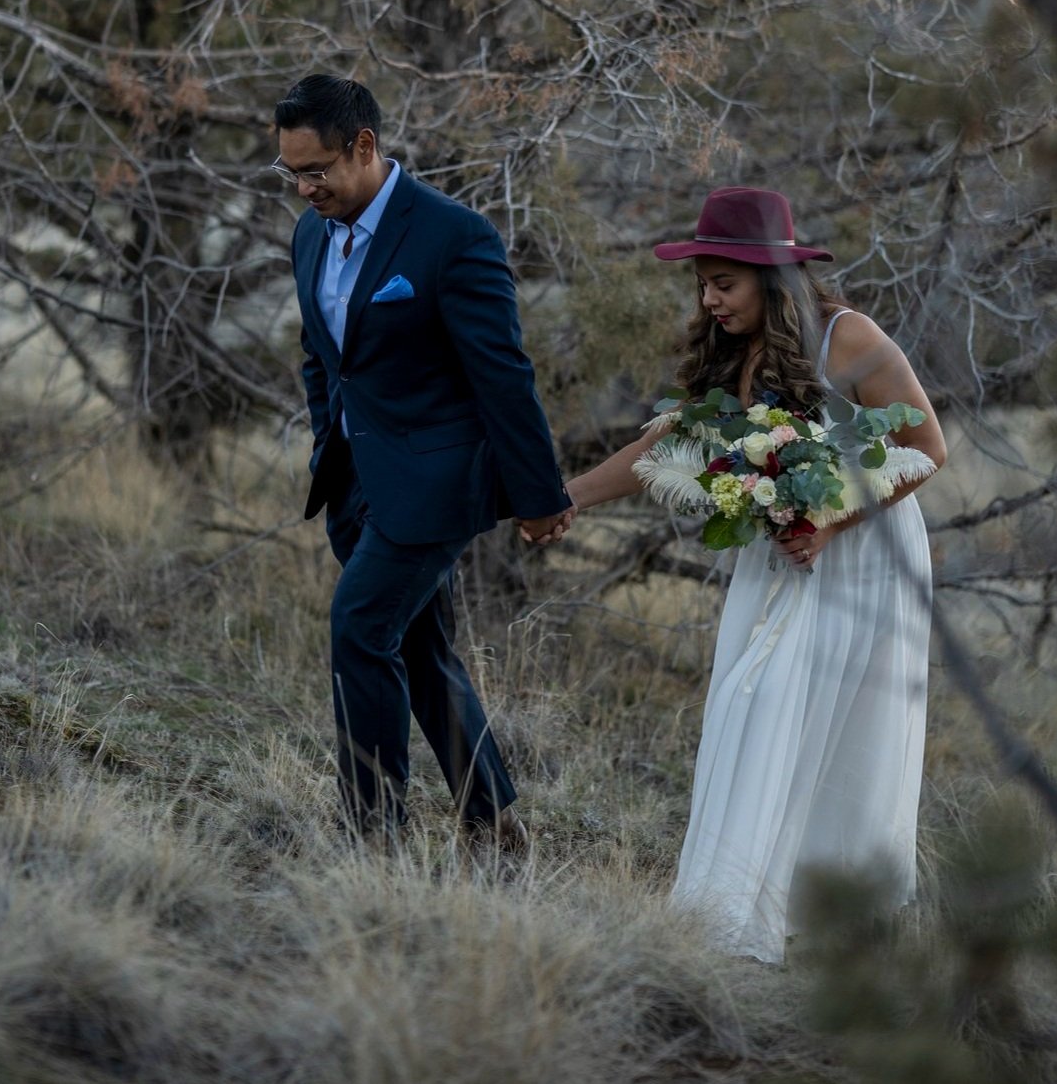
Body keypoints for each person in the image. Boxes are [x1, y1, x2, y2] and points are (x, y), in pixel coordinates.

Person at [563, 186, 947, 961]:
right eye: (702, 282)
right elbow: (659, 449)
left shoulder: (850, 338)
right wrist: (559, 498)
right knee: (753, 705)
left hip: (861, 554)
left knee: (831, 730)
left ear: (771, 278)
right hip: (774, 553)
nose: (708, 299)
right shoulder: (729, 353)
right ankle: (731, 911)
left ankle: (826, 916)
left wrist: (831, 521)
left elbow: (928, 447)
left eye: (723, 283)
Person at [277, 73, 575, 852]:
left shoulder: (453, 235)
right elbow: (322, 356)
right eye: (291, 173)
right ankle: (495, 818)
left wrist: (539, 495)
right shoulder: (309, 234)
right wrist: (325, 442)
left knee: (358, 625)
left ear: (365, 147)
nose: (305, 187)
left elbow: (502, 374)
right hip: (353, 478)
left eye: (318, 170)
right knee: (416, 642)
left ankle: (373, 833)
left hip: (437, 481)